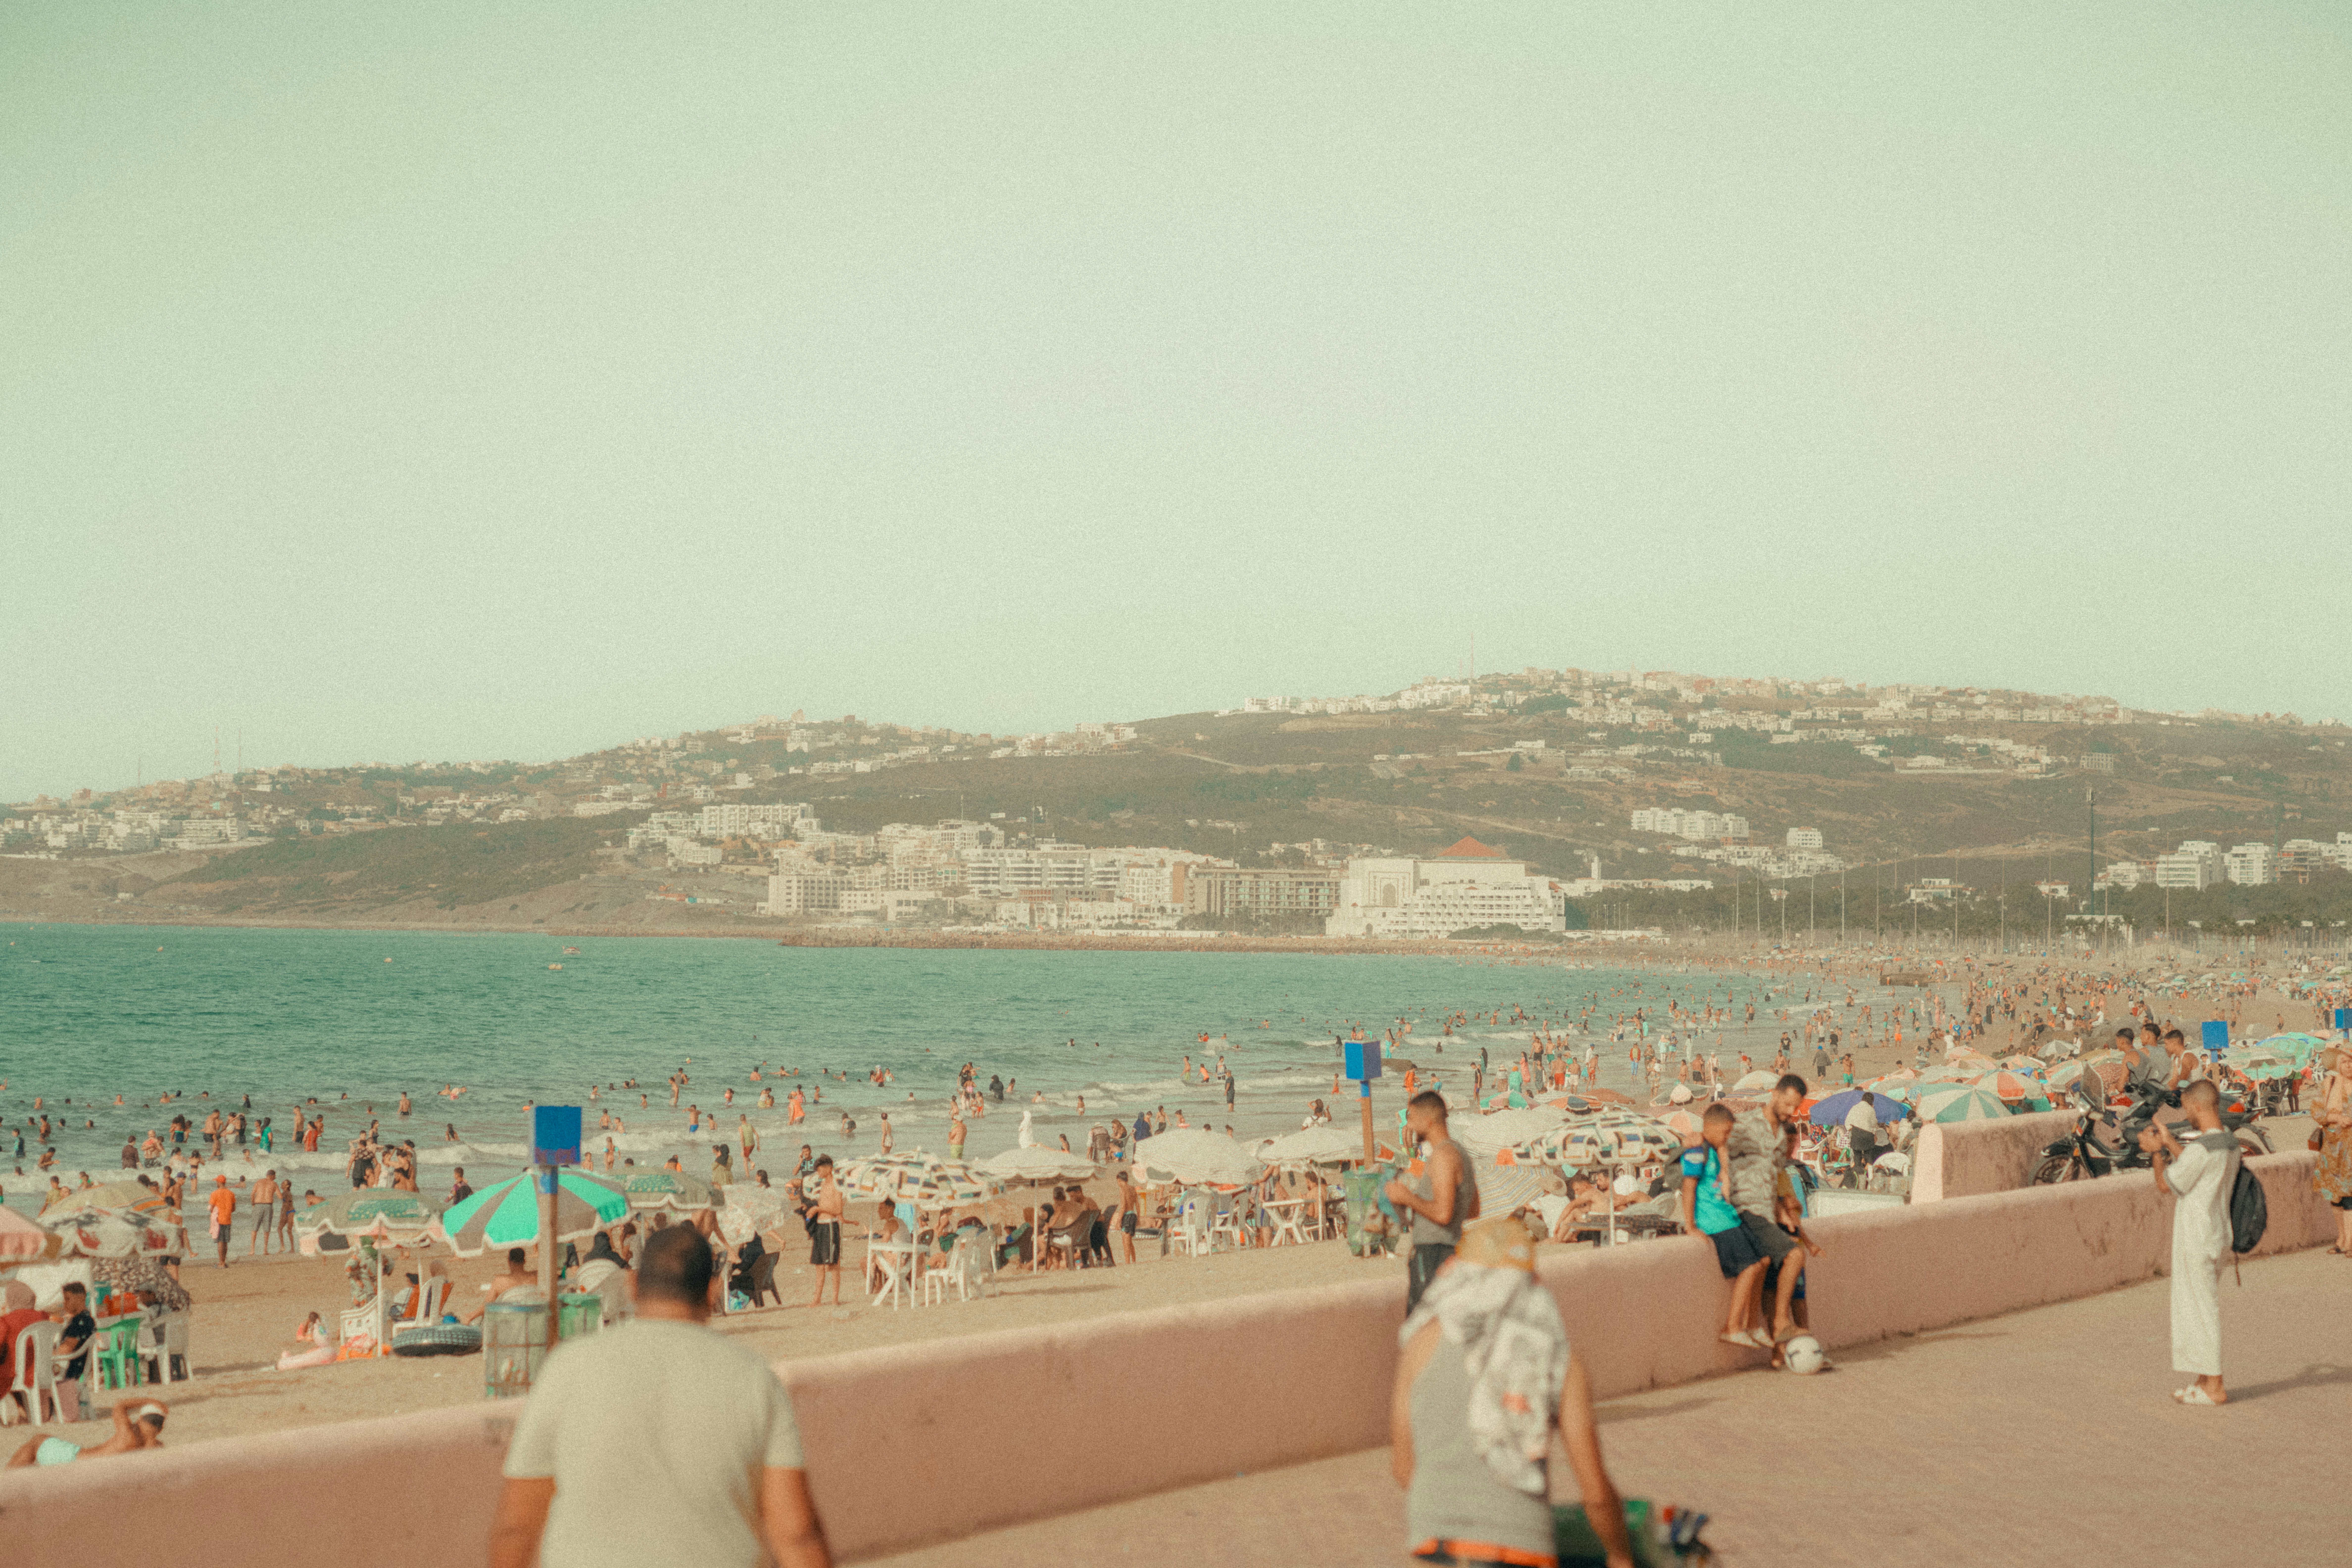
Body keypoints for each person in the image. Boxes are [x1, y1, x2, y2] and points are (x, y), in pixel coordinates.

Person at [490, 1225, 832, 1568]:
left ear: (633, 1286)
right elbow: (797, 1535)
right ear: (712, 1293)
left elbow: (515, 1529)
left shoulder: (567, 1367)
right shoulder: (756, 1379)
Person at [1391, 1218, 1634, 1568]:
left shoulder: (1418, 1346)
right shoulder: (1556, 1354)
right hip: (1518, 1546)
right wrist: (1620, 1553)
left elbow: (1403, 1467)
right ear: (1531, 1280)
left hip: (1434, 1541)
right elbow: (1595, 1494)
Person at [2142, 1078, 2236, 1406]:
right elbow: (2196, 1170)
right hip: (2218, 1234)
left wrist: (2156, 1154)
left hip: (2198, 1237)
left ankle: (2216, 1386)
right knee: (2196, 1307)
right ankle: (2203, 1380)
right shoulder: (2229, 1143)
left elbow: (2167, 1185)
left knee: (2200, 1310)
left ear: (2196, 1106)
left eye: (2186, 1108)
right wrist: (2170, 1143)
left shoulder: (2201, 1149)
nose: (2187, 1114)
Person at [1724, 1075, 1812, 1345]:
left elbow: (1773, 1179)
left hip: (1766, 1213)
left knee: (1769, 1272)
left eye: (1795, 1108)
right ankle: (1781, 1323)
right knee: (1795, 1256)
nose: (1790, 1112)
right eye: (1787, 1104)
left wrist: (1781, 1208)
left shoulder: (1781, 1139)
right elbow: (1717, 1152)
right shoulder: (1746, 1126)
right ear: (1774, 1095)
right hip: (1744, 1208)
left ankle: (1765, 1332)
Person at [1678, 1103, 1768, 1347]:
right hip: (1714, 1222)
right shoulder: (1698, 1151)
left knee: (1764, 1261)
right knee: (1749, 1268)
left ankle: (1752, 1324)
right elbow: (1689, 1188)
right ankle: (1733, 1327)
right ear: (1713, 1128)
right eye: (1726, 1132)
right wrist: (1691, 1225)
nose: (1728, 1138)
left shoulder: (1716, 1150)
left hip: (1727, 1217)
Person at [1383, 1090, 1480, 1313]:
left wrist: (1407, 1198)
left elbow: (1443, 1214)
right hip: (1450, 1250)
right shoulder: (1460, 1153)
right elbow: (1473, 1209)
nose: (1409, 1126)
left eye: (1412, 1118)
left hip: (1434, 1254)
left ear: (1428, 1120)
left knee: (1421, 1331)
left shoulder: (1443, 1156)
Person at [8, 1398, 170, 1468]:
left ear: (141, 1418)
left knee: (38, 1441)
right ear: (161, 1429)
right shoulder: (157, 1447)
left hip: (76, 1461)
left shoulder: (128, 1434)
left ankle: (6, 1486)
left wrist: (150, 1401)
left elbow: (120, 1406)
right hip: (93, 1469)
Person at [2312, 1048, 2352, 1256]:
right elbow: (2317, 1111)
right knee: (2335, 1196)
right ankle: (2342, 1239)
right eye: (2345, 1062)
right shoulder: (2330, 1085)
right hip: (2332, 1149)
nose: (2349, 1066)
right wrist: (2336, 1119)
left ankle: (2351, 1242)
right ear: (2338, 1064)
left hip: (2351, 1150)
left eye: (2351, 1062)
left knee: (2350, 1195)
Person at [805, 1155, 844, 1308]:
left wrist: (818, 1209)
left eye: (821, 1169)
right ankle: (817, 1299)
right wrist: (812, 1210)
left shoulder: (836, 1184)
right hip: (820, 1226)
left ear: (829, 1168)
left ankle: (835, 1299)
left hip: (830, 1225)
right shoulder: (823, 1185)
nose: (819, 1172)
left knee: (833, 1264)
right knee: (819, 1264)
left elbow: (838, 1210)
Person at [206, 1174, 236, 1267]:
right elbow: (234, 1208)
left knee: (220, 1241)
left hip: (219, 1220)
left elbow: (210, 1208)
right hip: (227, 1219)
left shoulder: (215, 1194)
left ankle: (221, 1262)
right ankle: (224, 1261)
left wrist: (214, 1211)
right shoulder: (231, 1193)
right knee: (225, 1241)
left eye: (217, 1182)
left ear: (219, 1183)